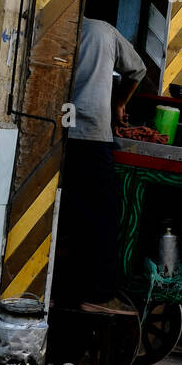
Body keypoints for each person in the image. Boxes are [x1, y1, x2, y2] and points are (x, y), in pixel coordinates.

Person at [54, 18, 145, 310]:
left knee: (62, 214)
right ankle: (97, 295)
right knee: (102, 219)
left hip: (53, 133)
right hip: (92, 134)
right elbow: (138, 70)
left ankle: (56, 288)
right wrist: (119, 103)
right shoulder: (103, 31)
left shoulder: (54, 21)